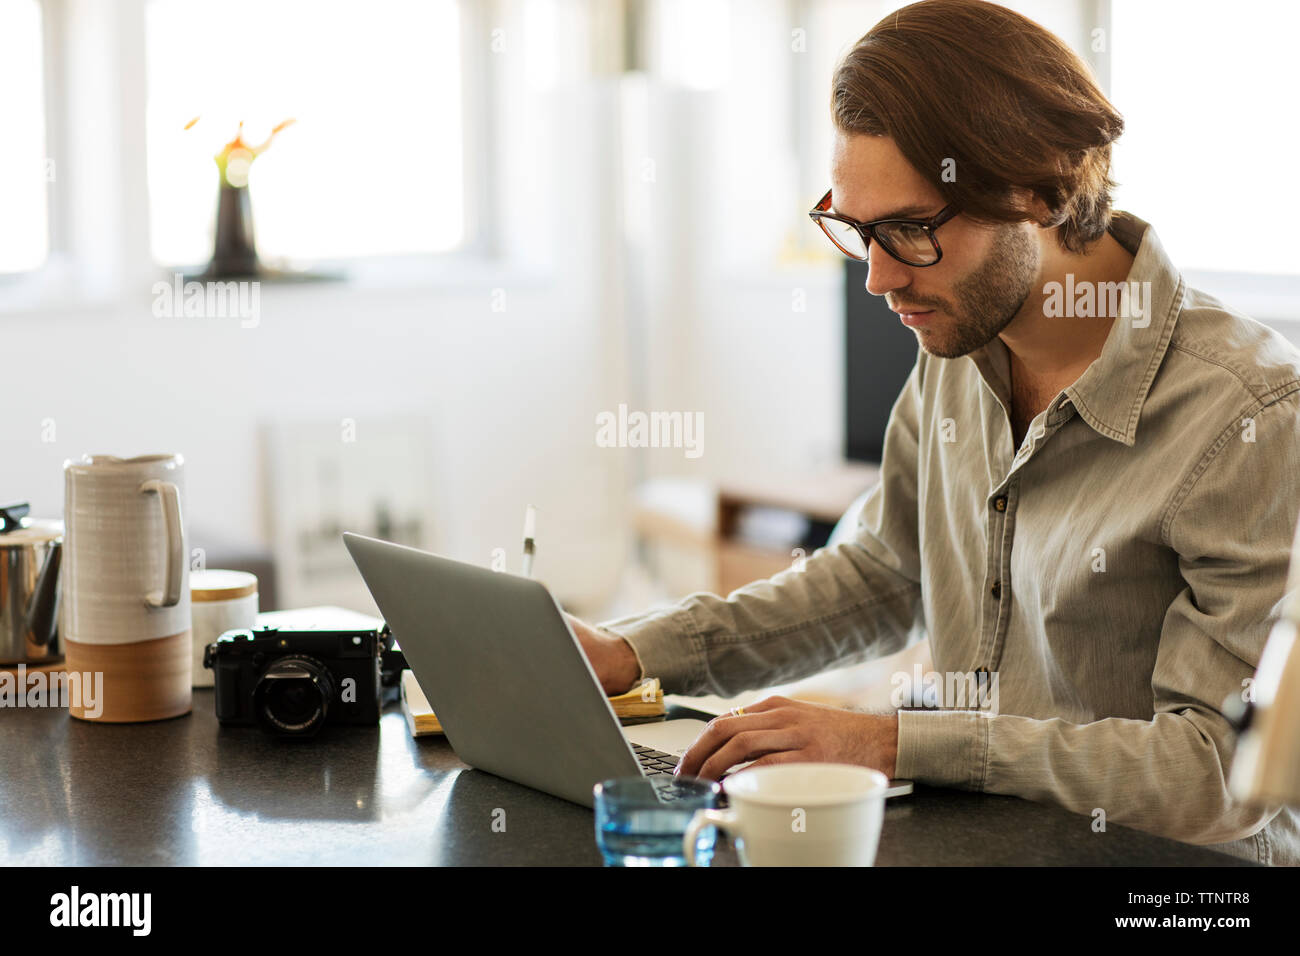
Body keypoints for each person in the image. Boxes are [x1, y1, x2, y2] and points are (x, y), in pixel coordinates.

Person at [572, 0, 1300, 865]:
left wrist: (895, 743)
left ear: (1040, 185)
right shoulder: (958, 344)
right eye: (858, 230)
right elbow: (883, 574)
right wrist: (634, 652)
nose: (879, 278)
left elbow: (1218, 776)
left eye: (912, 230)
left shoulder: (1252, 416)